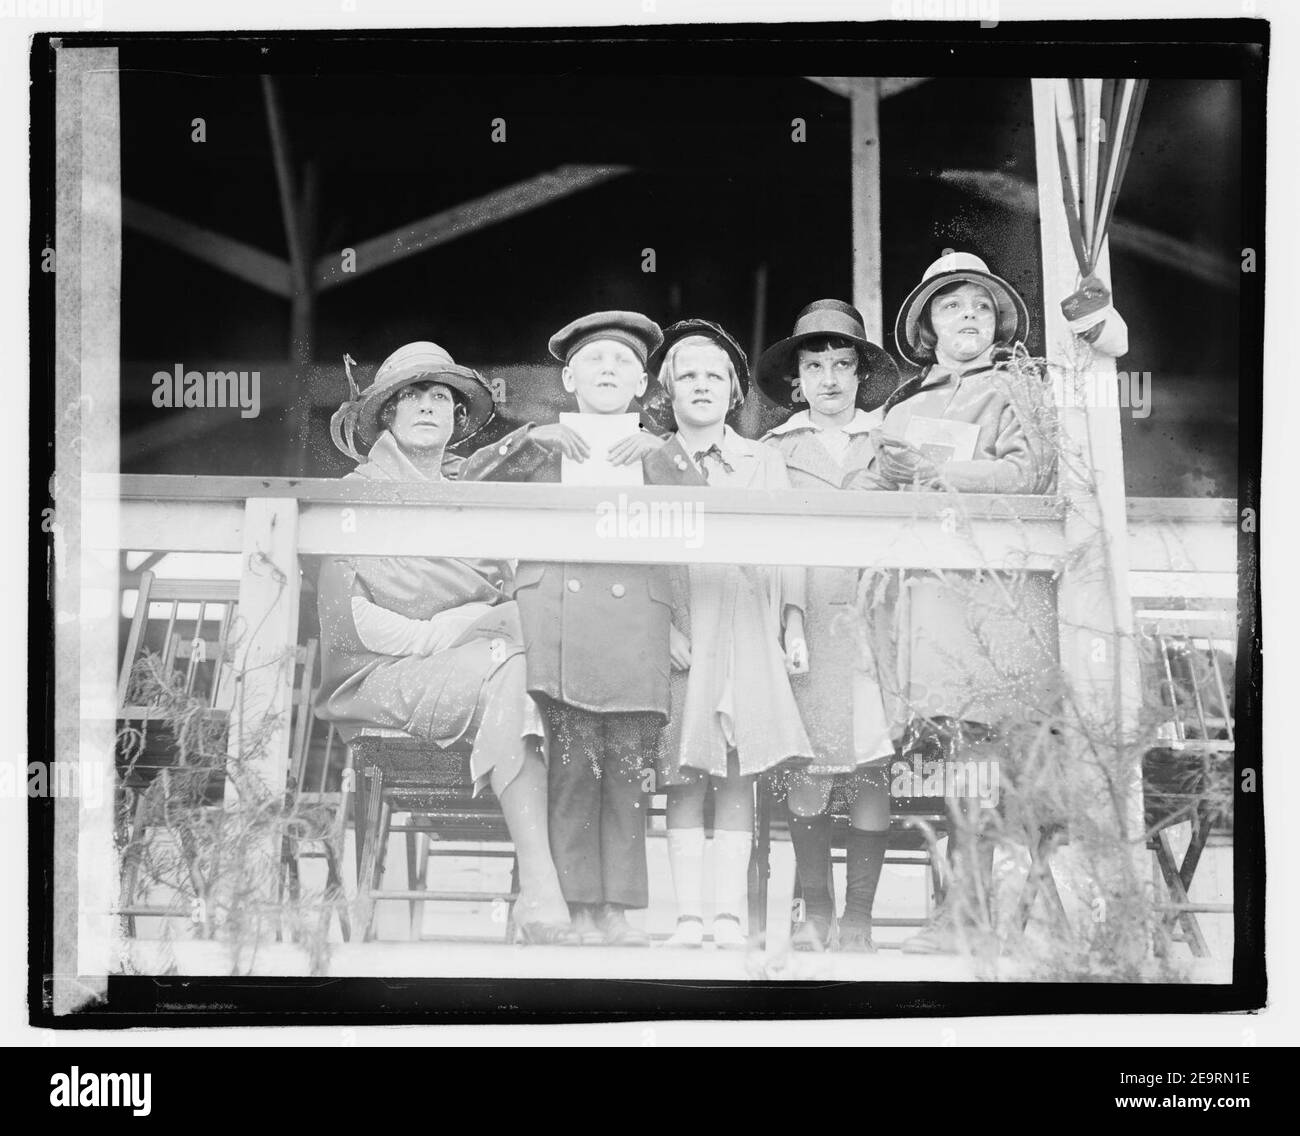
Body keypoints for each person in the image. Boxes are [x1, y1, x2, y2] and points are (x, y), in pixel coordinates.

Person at [315, 341, 578, 945]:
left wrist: (491, 621)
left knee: (534, 669)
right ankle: (543, 891)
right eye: (411, 396)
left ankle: (564, 894)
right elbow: (353, 620)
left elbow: (513, 588)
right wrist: (458, 626)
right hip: (380, 673)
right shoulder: (358, 492)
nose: (428, 406)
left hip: (483, 667)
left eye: (441, 397)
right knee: (513, 666)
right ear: (385, 413)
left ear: (458, 416)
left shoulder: (480, 486)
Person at [460, 311, 700, 947]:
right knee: (569, 767)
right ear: (568, 377)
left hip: (634, 624)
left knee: (626, 769)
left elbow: (704, 517)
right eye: (594, 360)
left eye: (622, 362)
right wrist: (526, 440)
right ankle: (568, 905)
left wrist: (665, 448)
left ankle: (616, 909)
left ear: (644, 384)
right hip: (557, 624)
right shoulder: (540, 442)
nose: (608, 371)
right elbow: (469, 486)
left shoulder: (656, 449)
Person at [865, 251, 1058, 954]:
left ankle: (983, 918)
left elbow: (1031, 474)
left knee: (997, 755)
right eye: (952, 306)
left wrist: (940, 469)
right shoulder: (905, 407)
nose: (968, 316)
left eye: (980, 305)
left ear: (998, 320)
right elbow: (872, 500)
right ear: (928, 325)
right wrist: (878, 473)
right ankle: (962, 914)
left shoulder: (1018, 388)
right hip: (931, 607)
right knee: (953, 753)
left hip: (1000, 600)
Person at [643, 320, 813, 949]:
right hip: (685, 625)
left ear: (735, 392)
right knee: (684, 766)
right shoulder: (651, 461)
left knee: (738, 767)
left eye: (715, 375)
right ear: (668, 392)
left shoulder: (762, 459)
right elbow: (634, 555)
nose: (702, 385)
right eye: (687, 375)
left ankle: (730, 917)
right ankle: (688, 917)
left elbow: (789, 544)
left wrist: (791, 621)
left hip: (745, 625)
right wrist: (658, 625)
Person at [756, 299, 903, 952]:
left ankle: (859, 919)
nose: (831, 378)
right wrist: (787, 621)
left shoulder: (891, 445)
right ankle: (813, 907)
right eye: (816, 365)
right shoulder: (774, 451)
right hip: (807, 621)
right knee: (809, 767)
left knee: (872, 764)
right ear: (798, 377)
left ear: (860, 374)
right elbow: (770, 546)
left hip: (875, 625)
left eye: (844, 364)